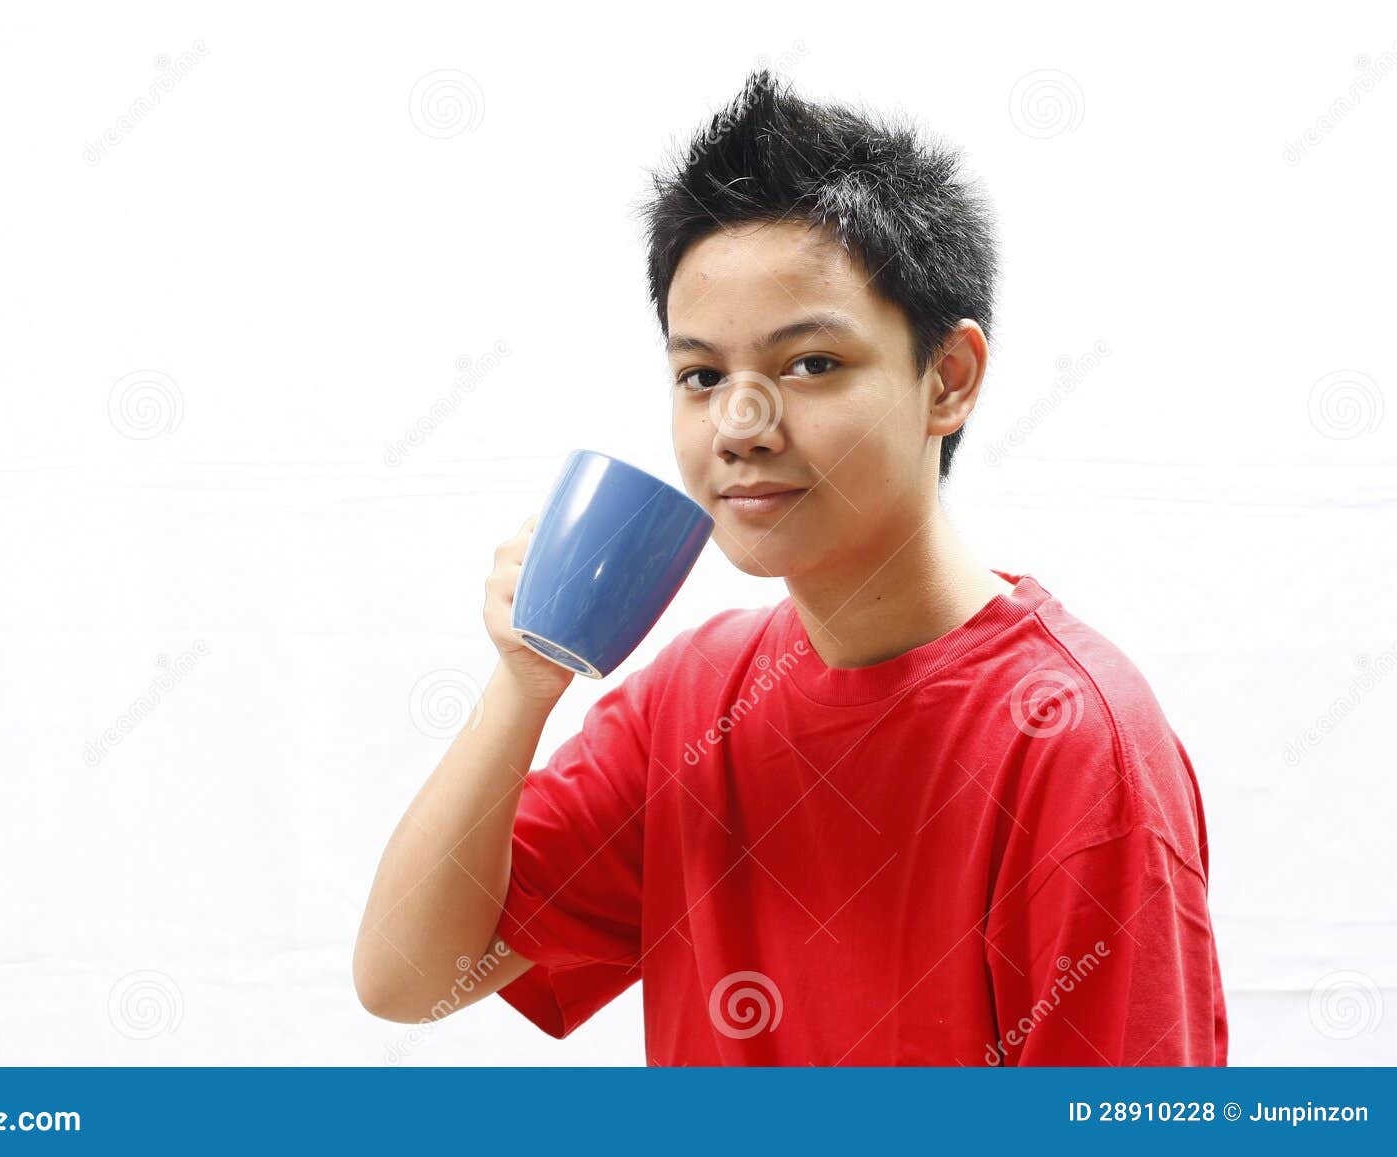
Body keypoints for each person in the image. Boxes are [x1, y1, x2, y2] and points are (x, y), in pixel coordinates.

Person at [354, 69, 1227, 1066]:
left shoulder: (1073, 739)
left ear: (947, 379)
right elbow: (407, 978)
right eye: (701, 375)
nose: (740, 424)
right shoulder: (692, 700)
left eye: (809, 363)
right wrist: (524, 678)